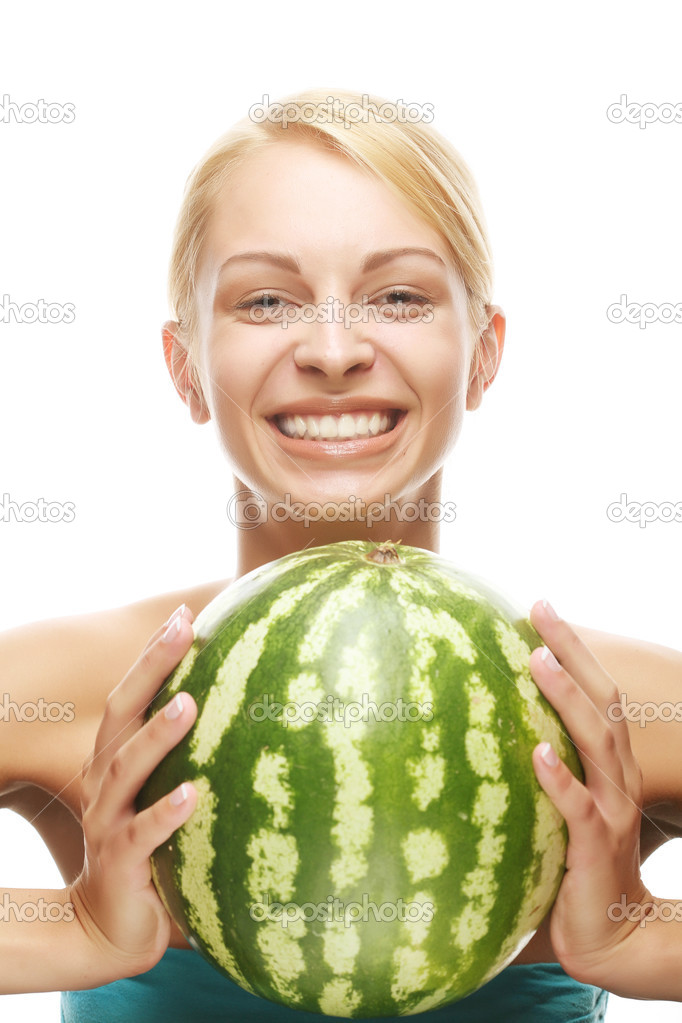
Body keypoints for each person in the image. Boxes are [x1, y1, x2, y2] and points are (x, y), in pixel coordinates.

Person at [1, 88, 681, 1022]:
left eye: (398, 295)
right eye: (266, 298)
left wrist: (645, 933)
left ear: (483, 354)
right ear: (186, 365)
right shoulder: (75, 685)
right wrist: (69, 927)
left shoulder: (605, 712)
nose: (332, 349)